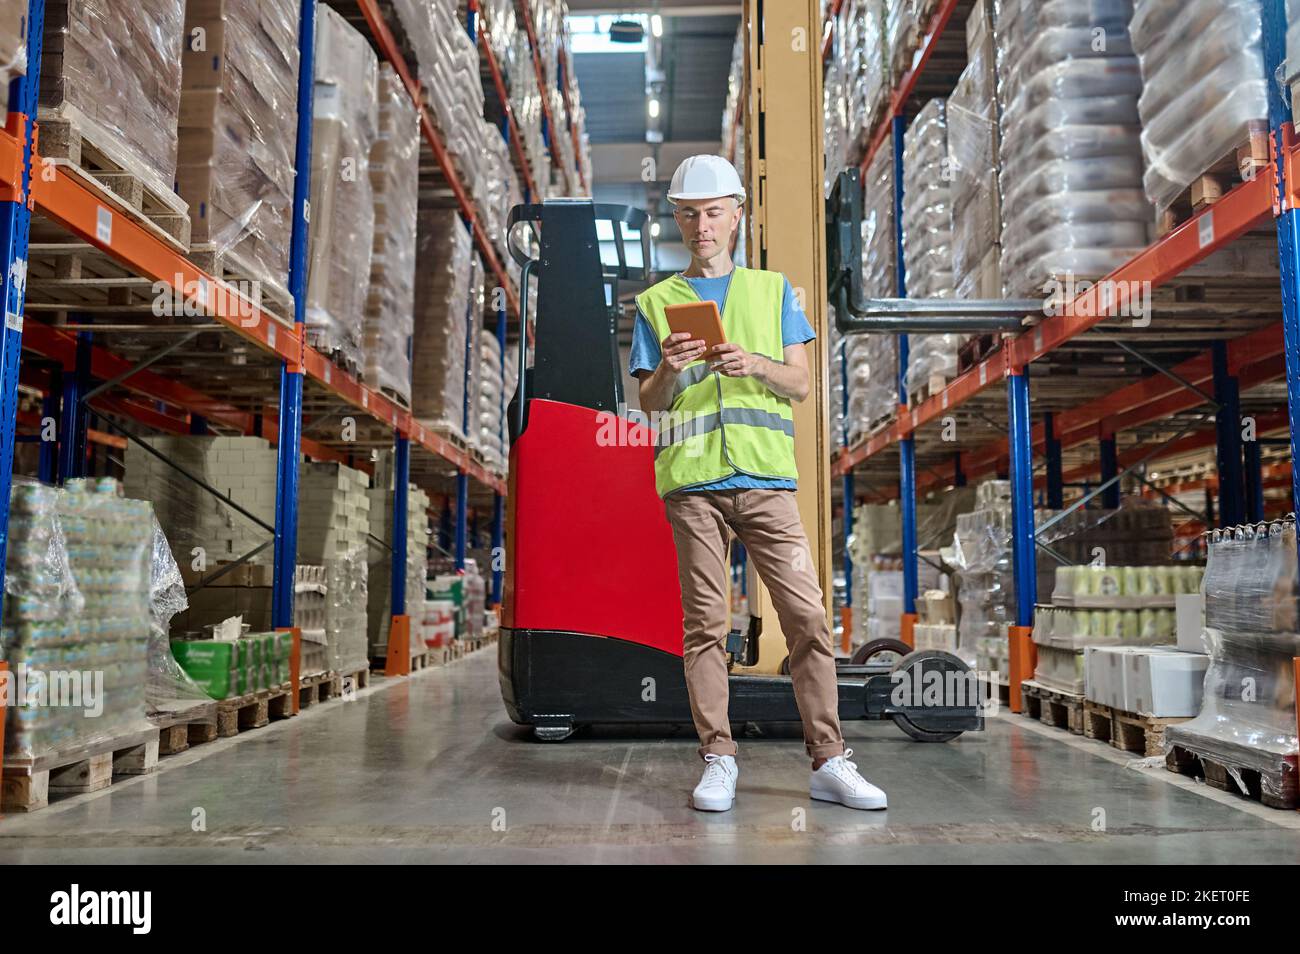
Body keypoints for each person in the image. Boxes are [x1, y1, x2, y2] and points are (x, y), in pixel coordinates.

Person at [629, 155, 887, 812]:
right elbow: (649, 407)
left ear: (737, 213)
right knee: (705, 626)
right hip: (693, 486)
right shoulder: (657, 303)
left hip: (766, 481)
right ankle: (718, 758)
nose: (701, 225)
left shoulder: (774, 293)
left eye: (714, 211)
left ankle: (830, 760)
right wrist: (669, 367)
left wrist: (754, 364)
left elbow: (801, 383)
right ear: (677, 218)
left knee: (806, 616)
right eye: (689, 213)